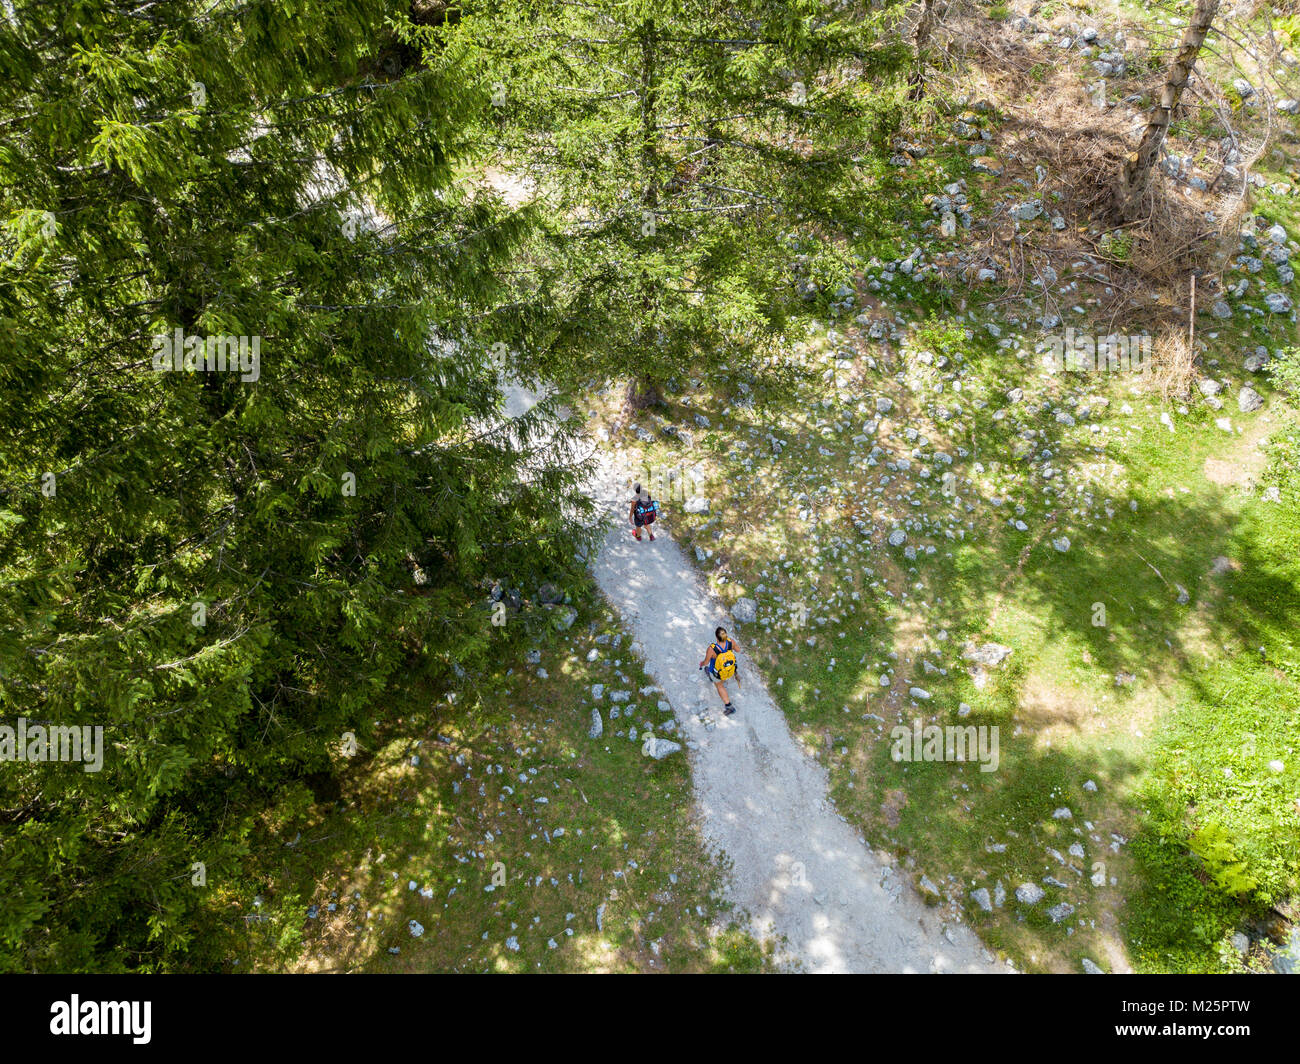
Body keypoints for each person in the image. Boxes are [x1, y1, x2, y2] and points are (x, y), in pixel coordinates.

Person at [700, 626, 740, 715]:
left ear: (716, 637)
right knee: (722, 678)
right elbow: (738, 650)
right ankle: (714, 678)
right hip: (729, 669)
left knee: (719, 686)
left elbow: (706, 662)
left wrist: (701, 664)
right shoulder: (731, 642)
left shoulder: (712, 649)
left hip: (716, 672)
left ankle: (729, 706)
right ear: (726, 635)